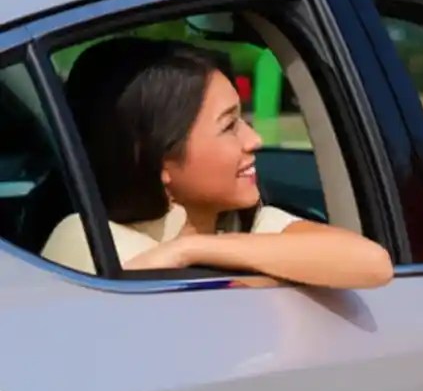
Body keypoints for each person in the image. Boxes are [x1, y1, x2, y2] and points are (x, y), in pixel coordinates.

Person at [41, 36, 394, 289]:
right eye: (229, 126)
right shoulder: (91, 241)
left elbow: (372, 263)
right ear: (161, 160)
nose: (254, 139)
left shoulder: (247, 223)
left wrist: (189, 250)